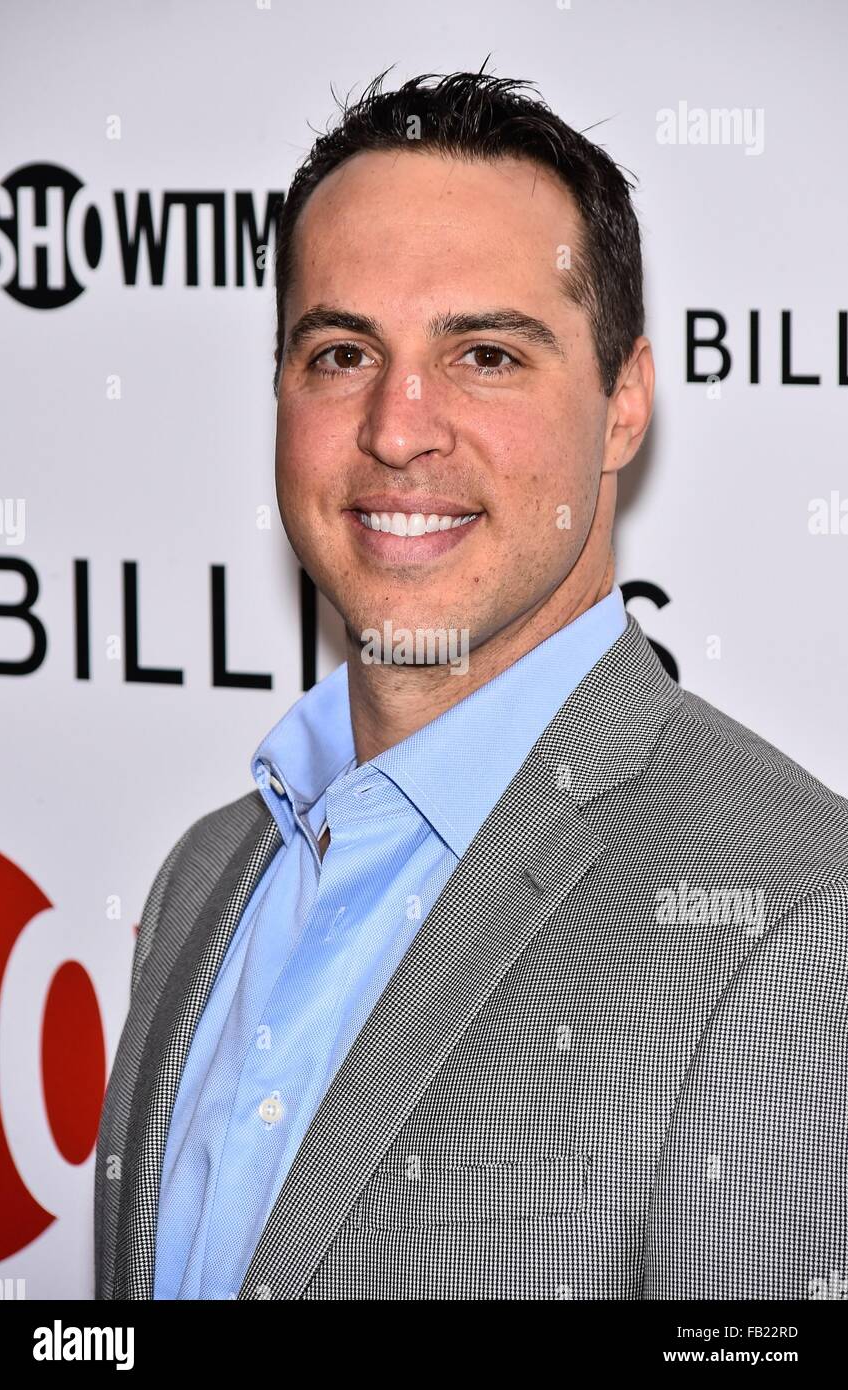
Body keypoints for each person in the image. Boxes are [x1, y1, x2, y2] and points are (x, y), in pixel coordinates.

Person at [95, 66, 848, 1301]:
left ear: (622, 405)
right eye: (341, 352)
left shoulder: (790, 928)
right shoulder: (201, 878)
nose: (398, 429)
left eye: (485, 354)